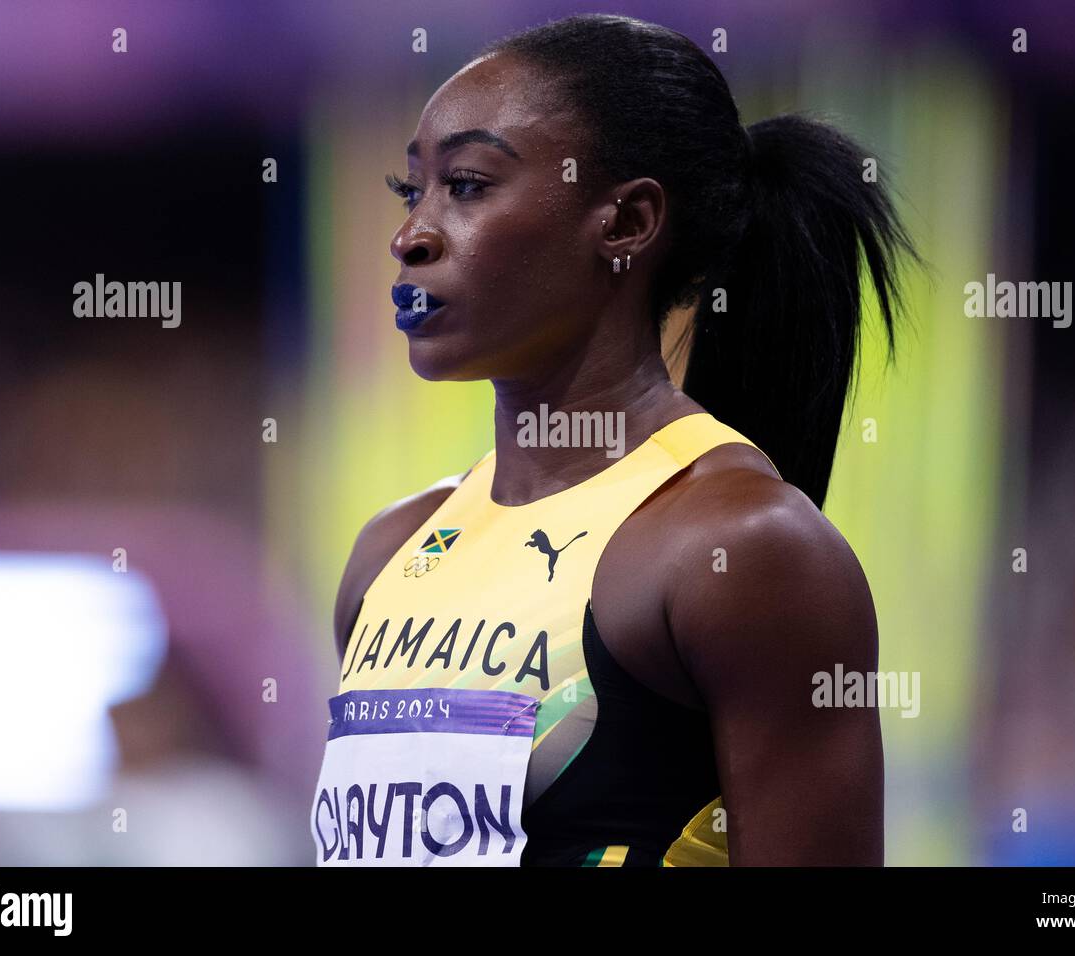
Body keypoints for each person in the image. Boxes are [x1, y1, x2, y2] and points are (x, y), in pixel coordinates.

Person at [314, 13, 918, 867]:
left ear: (627, 221)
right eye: (412, 189)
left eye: (470, 185)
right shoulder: (391, 551)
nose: (411, 234)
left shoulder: (737, 549)